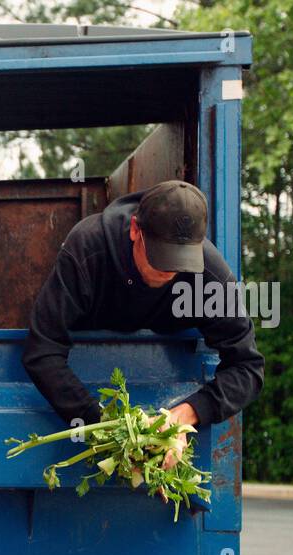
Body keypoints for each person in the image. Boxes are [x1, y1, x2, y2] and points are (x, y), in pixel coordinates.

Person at [22, 180, 264, 467]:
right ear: (136, 230)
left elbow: (248, 367)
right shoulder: (88, 248)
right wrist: (106, 427)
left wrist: (185, 415)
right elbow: (42, 350)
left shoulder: (209, 273)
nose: (170, 272)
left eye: (180, 262)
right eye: (161, 259)